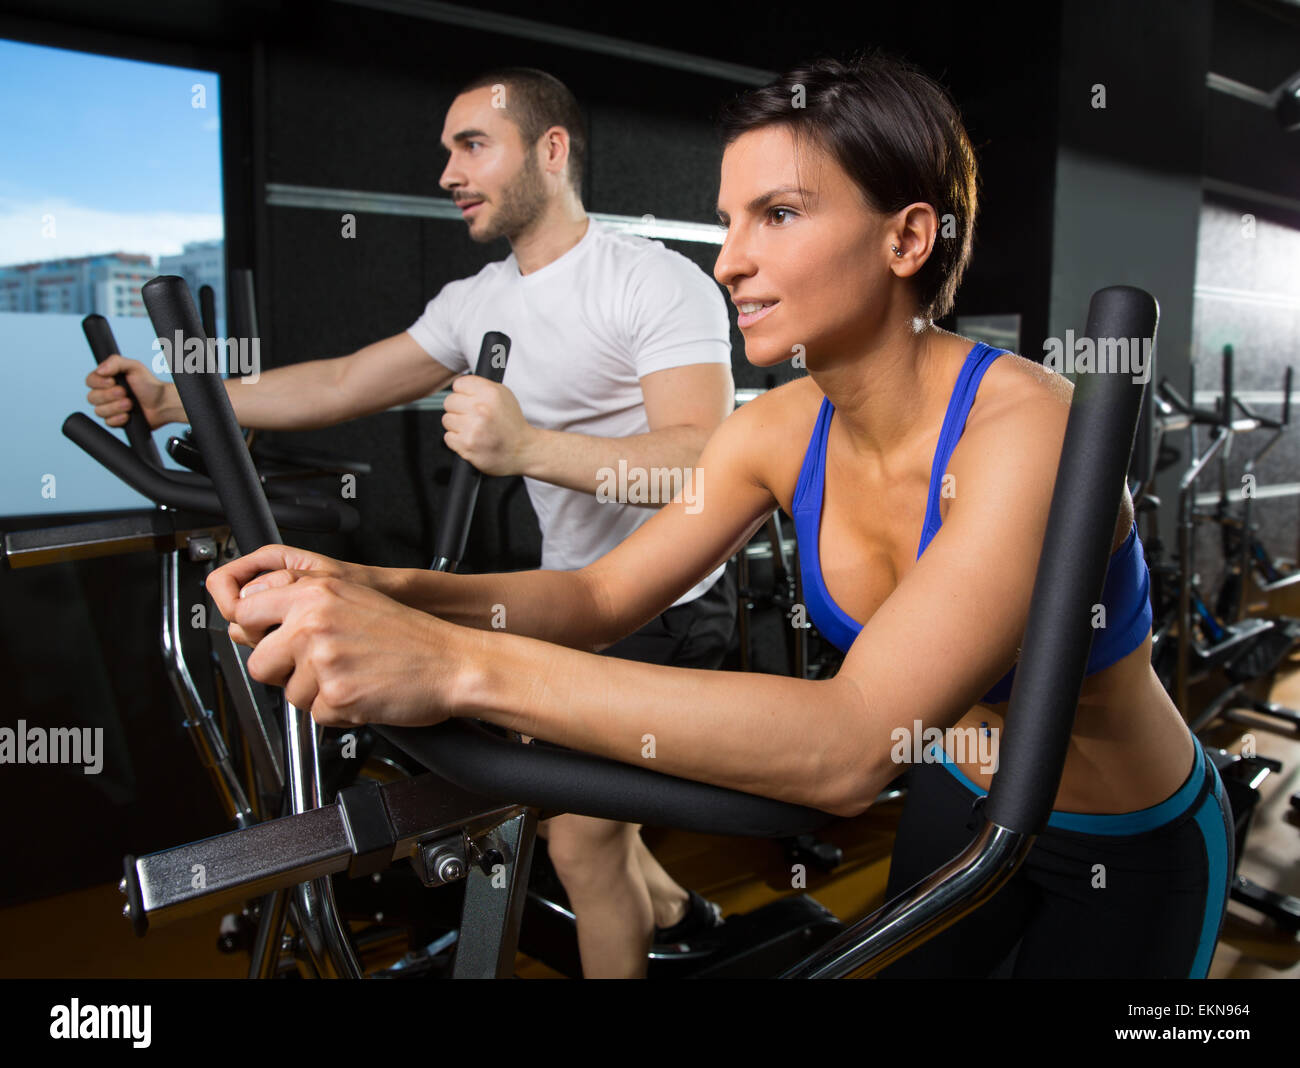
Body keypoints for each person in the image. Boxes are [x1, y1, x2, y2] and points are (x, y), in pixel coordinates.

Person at [204, 51, 1234, 979]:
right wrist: (373, 588)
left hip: (1126, 839)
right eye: (729, 218)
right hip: (963, 803)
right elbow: (600, 593)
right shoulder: (777, 429)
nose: (728, 260)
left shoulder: (1029, 430)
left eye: (776, 215)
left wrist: (449, 664)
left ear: (908, 236)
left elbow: (851, 744)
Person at [86, 67, 737, 978]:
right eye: (445, 151)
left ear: (552, 151)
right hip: (569, 603)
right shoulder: (477, 301)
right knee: (581, 816)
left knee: (582, 841)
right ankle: (675, 907)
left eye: (472, 145)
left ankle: (650, 904)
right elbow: (348, 380)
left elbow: (701, 465)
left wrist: (528, 448)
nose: (446, 172)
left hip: (671, 603)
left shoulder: (655, 284)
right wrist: (172, 403)